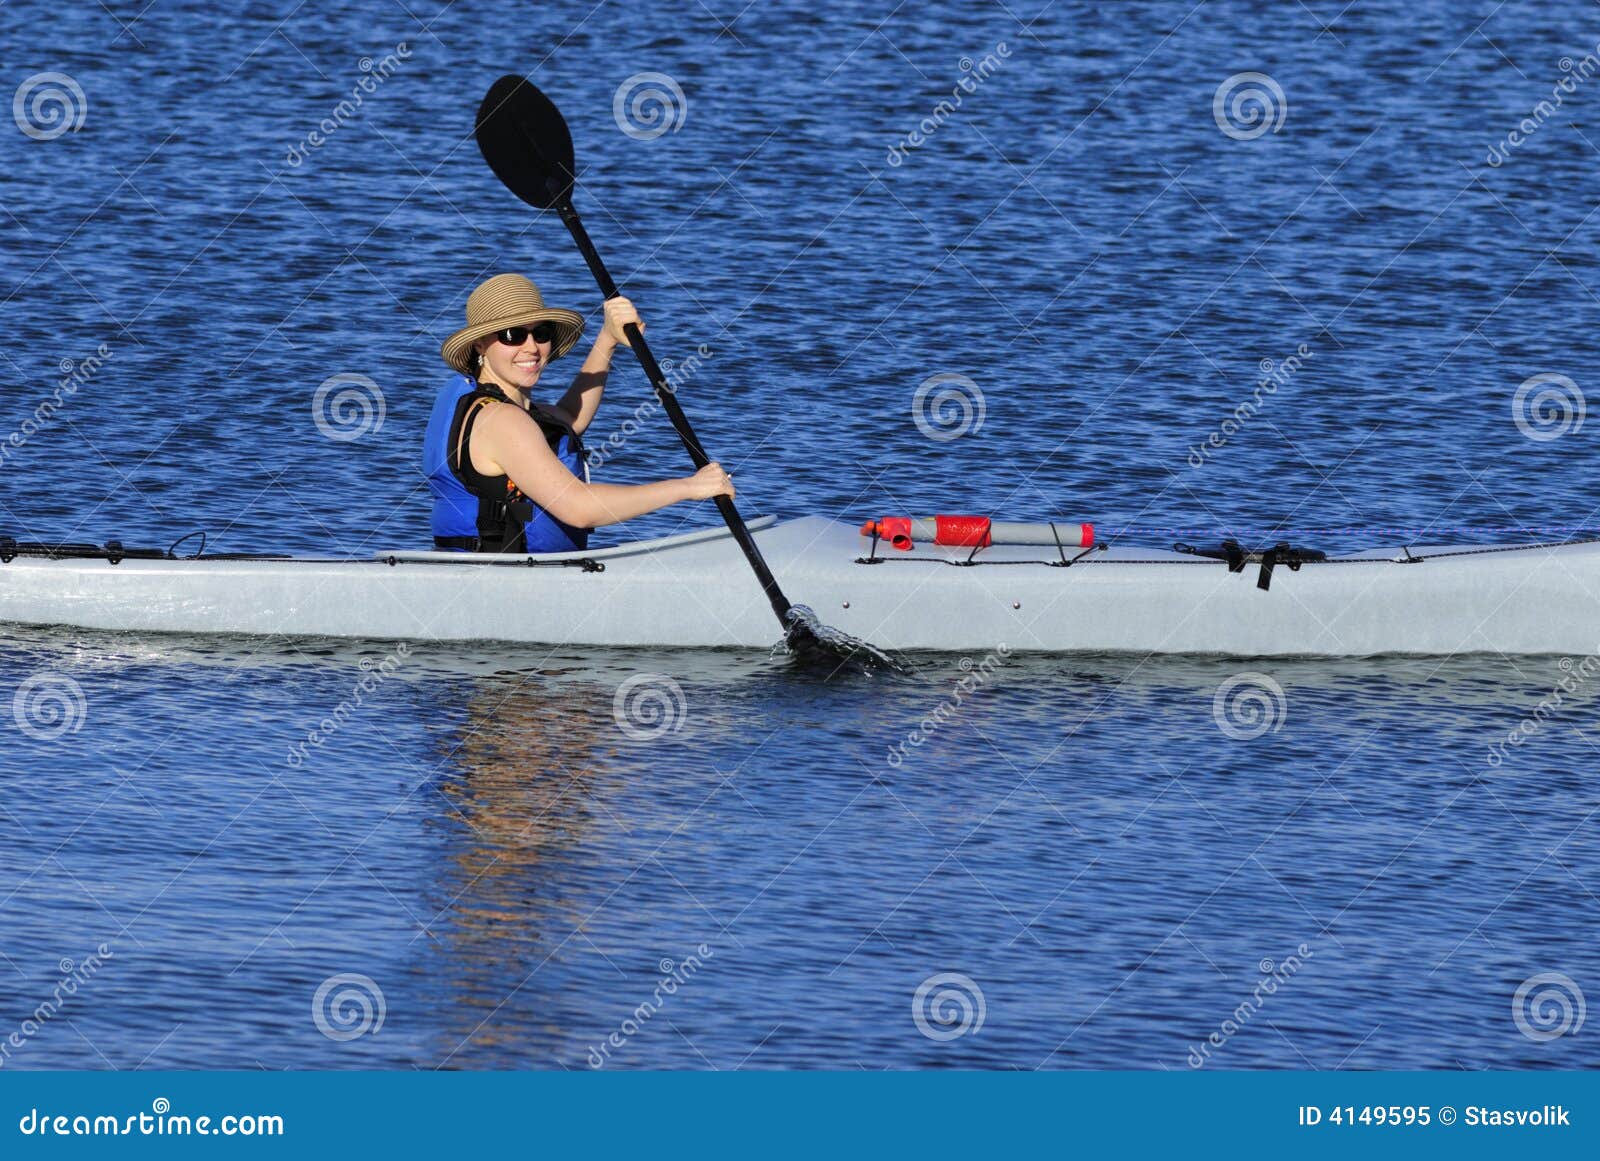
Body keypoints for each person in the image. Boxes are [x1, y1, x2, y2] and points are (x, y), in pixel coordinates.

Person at [425, 274, 733, 552]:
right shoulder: (503, 421)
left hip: (509, 573)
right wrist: (689, 487)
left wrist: (608, 338)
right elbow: (578, 509)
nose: (531, 347)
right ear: (480, 345)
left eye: (540, 332)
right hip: (504, 582)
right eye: (512, 335)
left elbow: (567, 419)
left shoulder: (487, 405)